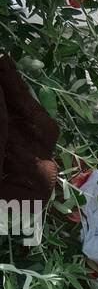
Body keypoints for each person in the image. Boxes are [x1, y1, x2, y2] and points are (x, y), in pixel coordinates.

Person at [0, 57, 59, 207]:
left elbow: (19, 97)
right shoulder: (45, 134)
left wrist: (4, 66)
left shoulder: (47, 134)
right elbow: (19, 98)